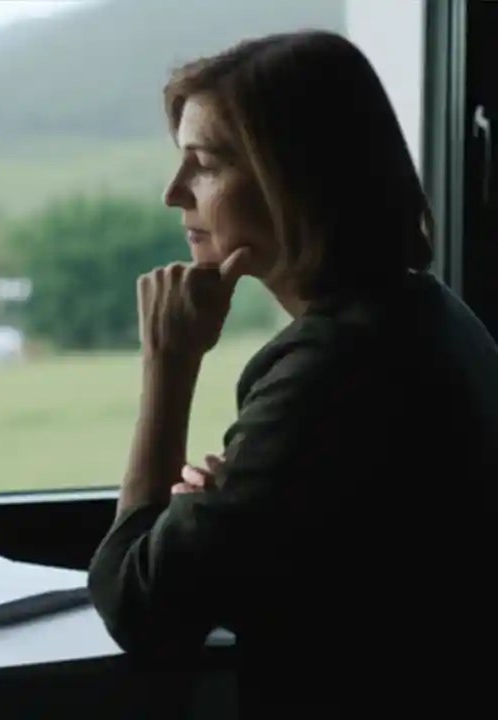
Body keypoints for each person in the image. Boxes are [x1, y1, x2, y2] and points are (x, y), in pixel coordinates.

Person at [86, 30, 498, 718]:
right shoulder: (427, 315)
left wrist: (169, 360)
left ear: (298, 178)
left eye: (207, 164)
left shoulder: (333, 371)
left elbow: (137, 606)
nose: (173, 193)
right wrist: (239, 515)